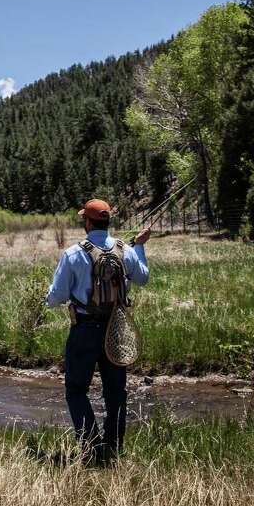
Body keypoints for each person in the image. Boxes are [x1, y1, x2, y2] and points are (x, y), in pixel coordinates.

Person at [45, 198, 152, 466]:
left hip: (83, 330)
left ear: (88, 222)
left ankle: (91, 447)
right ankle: (113, 446)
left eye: (84, 218)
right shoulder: (125, 250)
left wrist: (49, 299)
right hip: (114, 329)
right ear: (107, 221)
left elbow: (56, 296)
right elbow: (143, 277)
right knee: (116, 391)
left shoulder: (73, 253)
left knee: (76, 390)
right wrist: (139, 247)